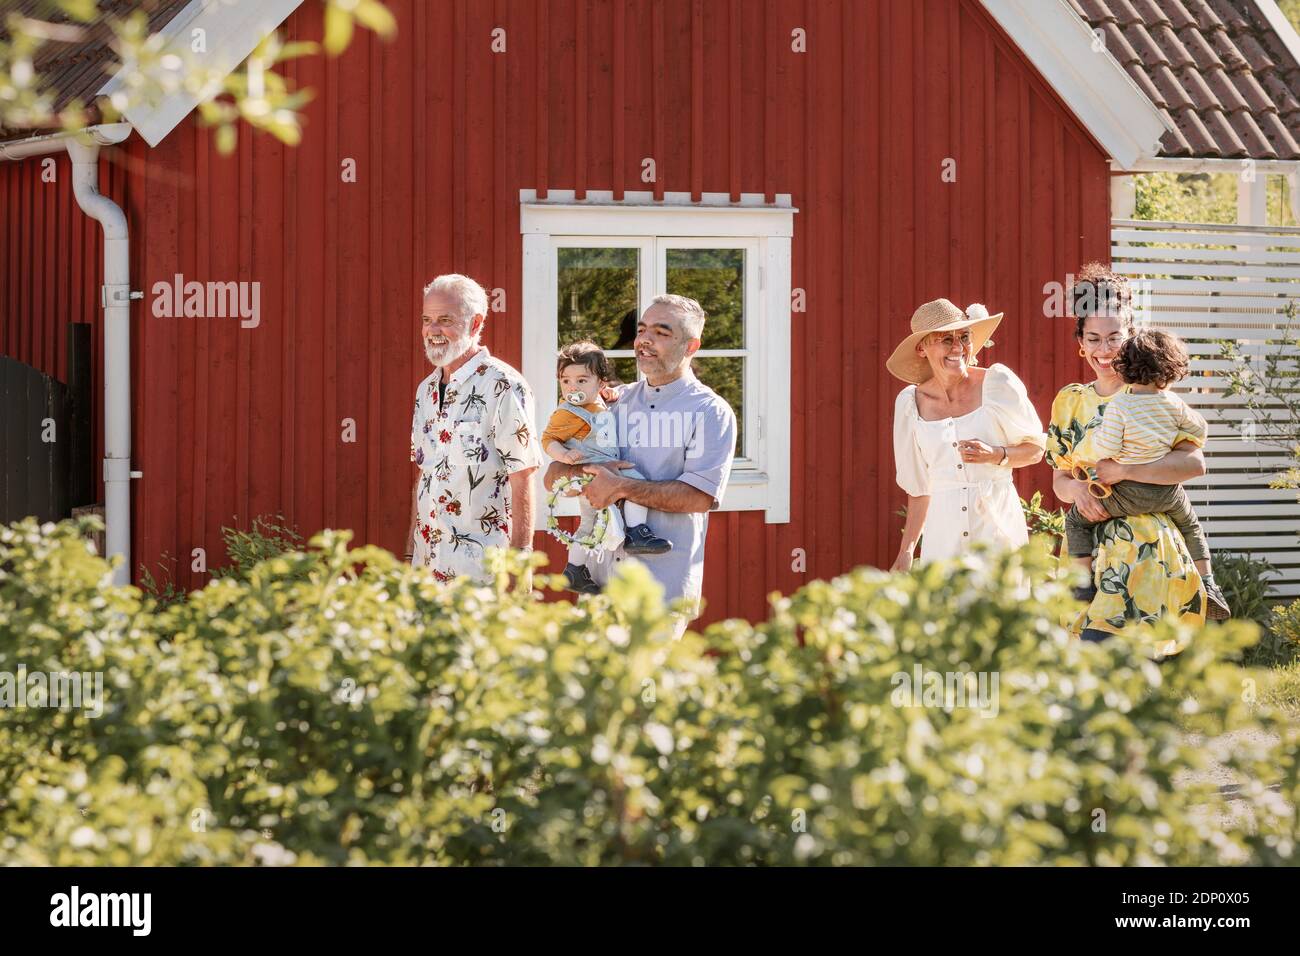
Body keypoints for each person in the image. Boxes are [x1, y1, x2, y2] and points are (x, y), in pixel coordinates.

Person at [543, 294, 737, 621]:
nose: (645, 340)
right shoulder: (611, 404)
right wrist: (586, 473)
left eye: (661, 332)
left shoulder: (709, 411)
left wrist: (619, 487)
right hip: (599, 585)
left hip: (659, 592)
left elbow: (700, 497)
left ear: (691, 346)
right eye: (643, 329)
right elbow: (552, 476)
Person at [1047, 263, 1207, 654]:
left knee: (1120, 664)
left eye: (1114, 337)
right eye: (1094, 338)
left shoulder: (1154, 397)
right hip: (1090, 552)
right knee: (1091, 682)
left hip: (1146, 549)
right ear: (1080, 344)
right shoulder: (1070, 401)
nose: (1104, 350)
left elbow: (1191, 464)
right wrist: (1078, 490)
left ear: (1131, 337)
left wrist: (1127, 471)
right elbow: (1059, 478)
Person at [1064, 328, 1230, 618]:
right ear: (1168, 370)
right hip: (1167, 493)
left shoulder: (1121, 405)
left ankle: (1081, 586)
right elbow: (1200, 429)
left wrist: (1104, 450)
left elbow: (1107, 446)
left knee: (1077, 521)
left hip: (1128, 493)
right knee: (1191, 526)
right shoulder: (1173, 403)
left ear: (1125, 368)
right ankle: (1208, 584)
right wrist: (1177, 438)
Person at [888, 298, 1046, 571]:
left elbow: (1036, 449)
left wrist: (997, 455)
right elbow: (919, 489)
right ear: (922, 348)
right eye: (946, 339)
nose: (958, 347)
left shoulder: (997, 384)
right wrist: (907, 551)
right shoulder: (910, 404)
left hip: (997, 528)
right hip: (943, 536)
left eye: (964, 337)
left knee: (1003, 610)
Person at [405, 274, 542, 583]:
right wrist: (409, 554)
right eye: (427, 320)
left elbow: (523, 473)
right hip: (426, 567)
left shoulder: (503, 385)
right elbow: (423, 475)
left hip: (482, 571)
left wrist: (520, 565)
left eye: (445, 320)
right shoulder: (425, 391)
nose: (432, 330)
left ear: (476, 323)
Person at [542, 341, 671, 596]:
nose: (572, 388)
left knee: (589, 523)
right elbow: (548, 440)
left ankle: (574, 569)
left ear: (600, 383)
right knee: (636, 485)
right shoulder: (568, 414)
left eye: (581, 381)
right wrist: (565, 455)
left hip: (605, 470)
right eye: (565, 381)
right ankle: (636, 532)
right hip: (592, 472)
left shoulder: (596, 401)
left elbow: (600, 401)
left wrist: (607, 394)